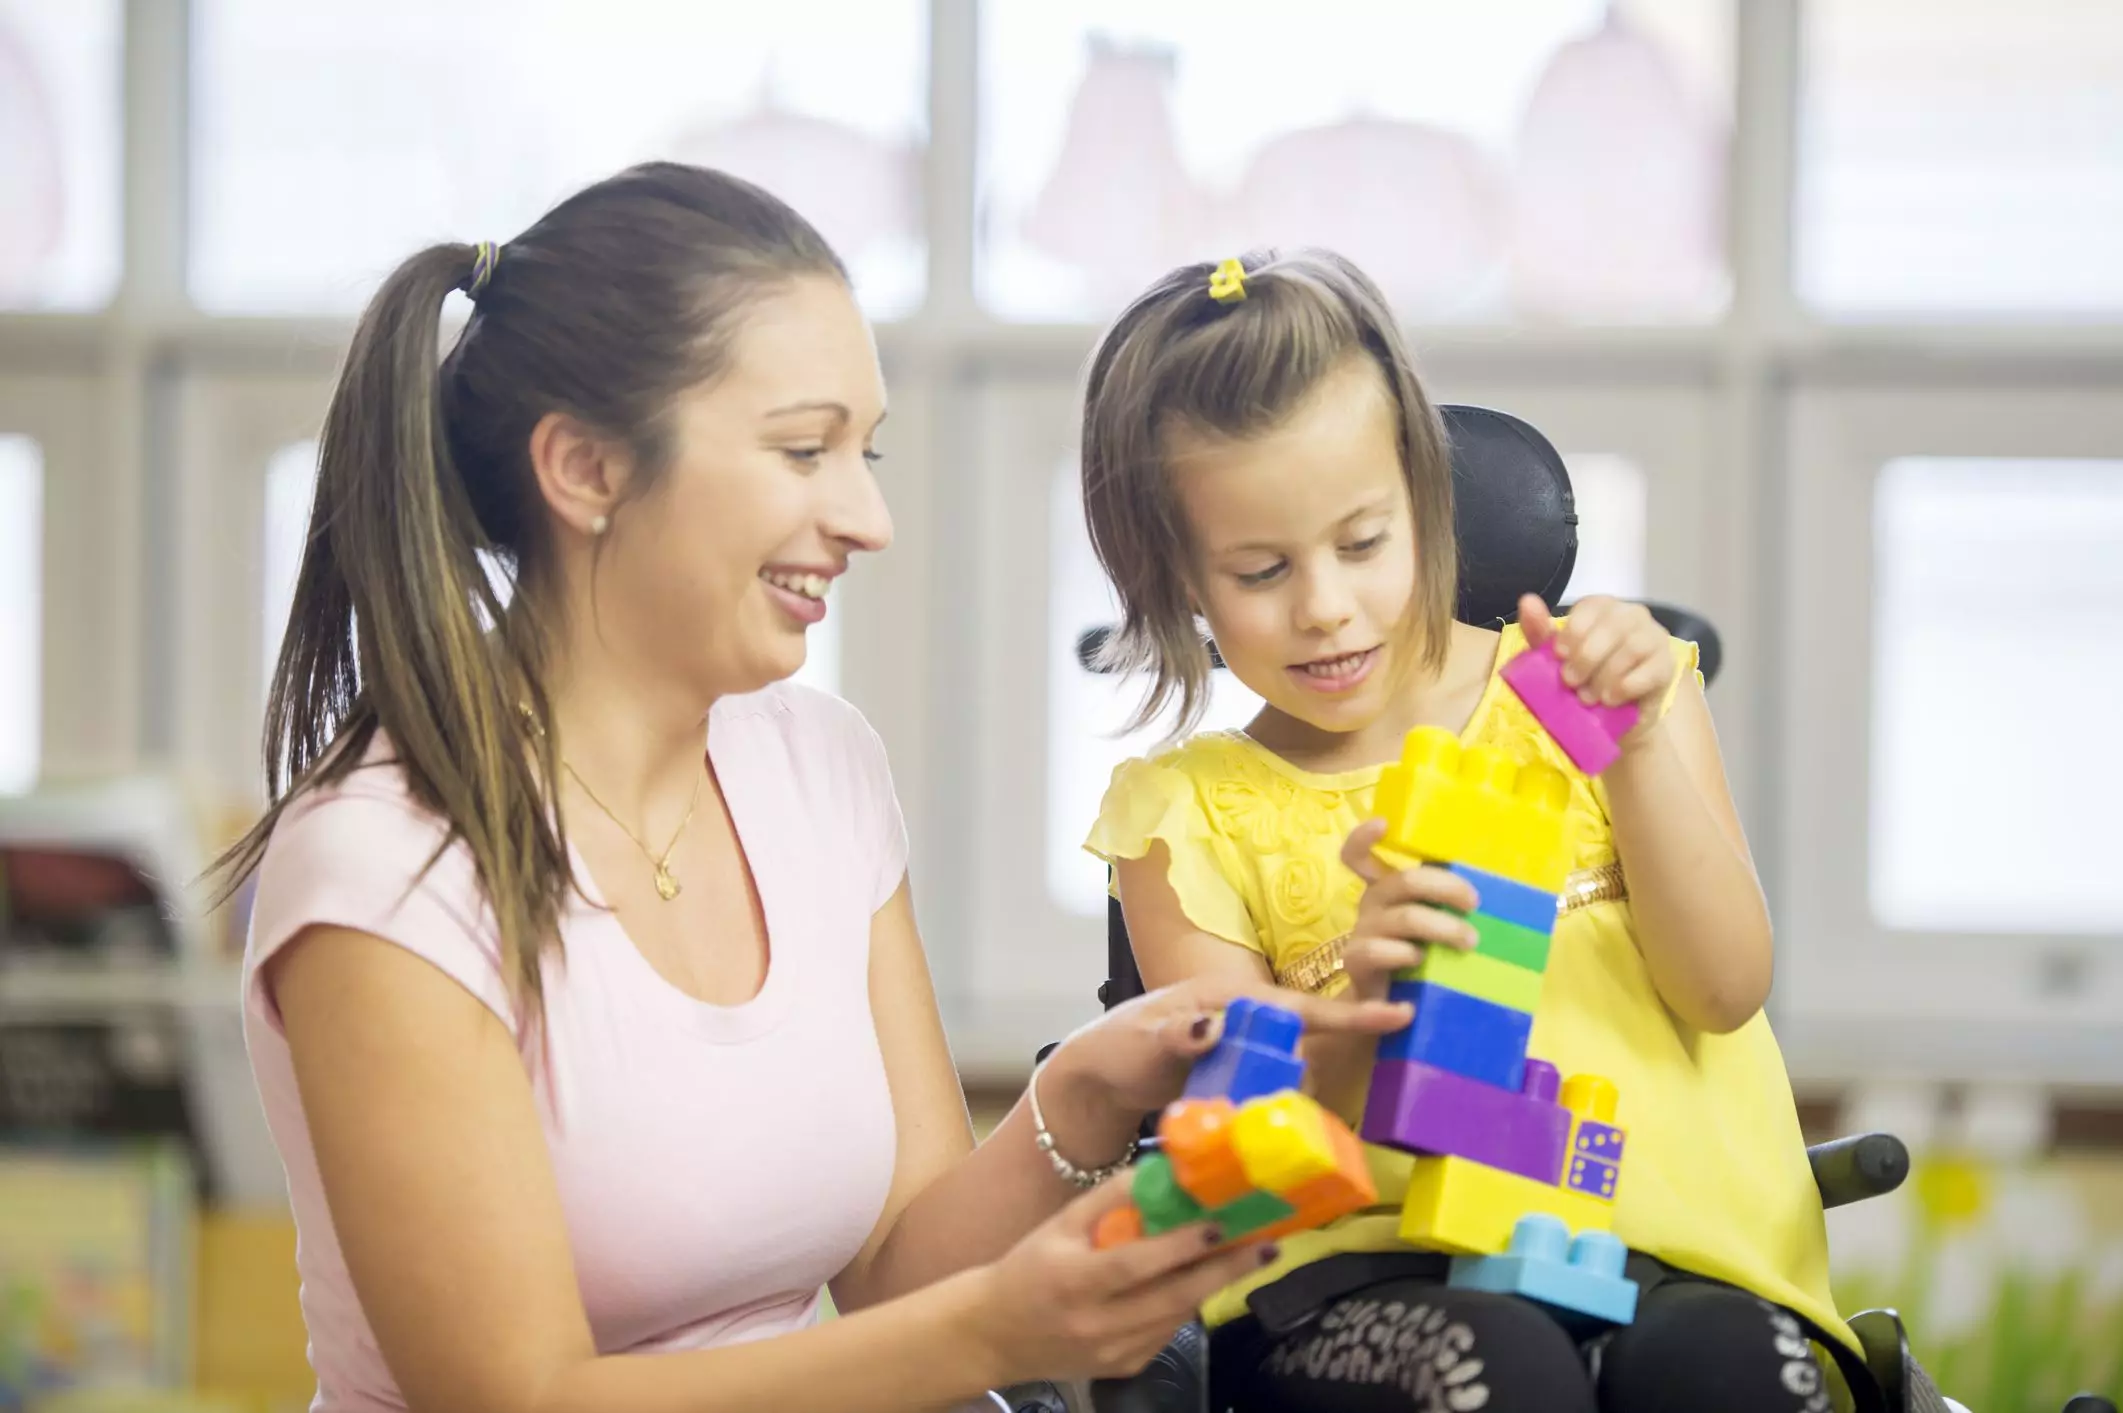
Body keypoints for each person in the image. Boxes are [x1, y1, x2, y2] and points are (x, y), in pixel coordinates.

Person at [211, 166, 1416, 1413]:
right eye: (804, 449)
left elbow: (898, 1275)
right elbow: (517, 1398)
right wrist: (990, 1337)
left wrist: (1082, 1093)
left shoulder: (817, 769)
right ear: (583, 470)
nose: (866, 516)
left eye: (866, 449)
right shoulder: (383, 865)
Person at [1077, 249, 1861, 1413]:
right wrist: (1360, 1012)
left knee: (1733, 1379)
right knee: (1499, 1377)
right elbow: (1230, 1163)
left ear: (1423, 502)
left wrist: (1634, 748)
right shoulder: (1180, 814)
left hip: (1691, 1256)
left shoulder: (1606, 695)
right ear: (1177, 578)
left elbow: (1722, 988)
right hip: (1360, 1279)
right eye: (1258, 571)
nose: (1324, 607)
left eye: (1360, 543)